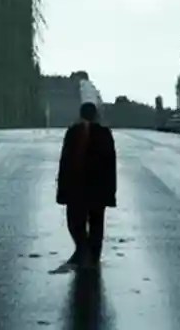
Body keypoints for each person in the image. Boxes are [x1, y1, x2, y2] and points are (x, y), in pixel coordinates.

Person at [56, 102, 117, 269]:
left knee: (75, 222)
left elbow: (65, 162)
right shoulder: (104, 133)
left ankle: (83, 251)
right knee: (96, 223)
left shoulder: (73, 132)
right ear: (96, 115)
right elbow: (110, 164)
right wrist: (110, 191)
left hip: (76, 186)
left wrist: (62, 188)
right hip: (97, 186)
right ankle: (91, 256)